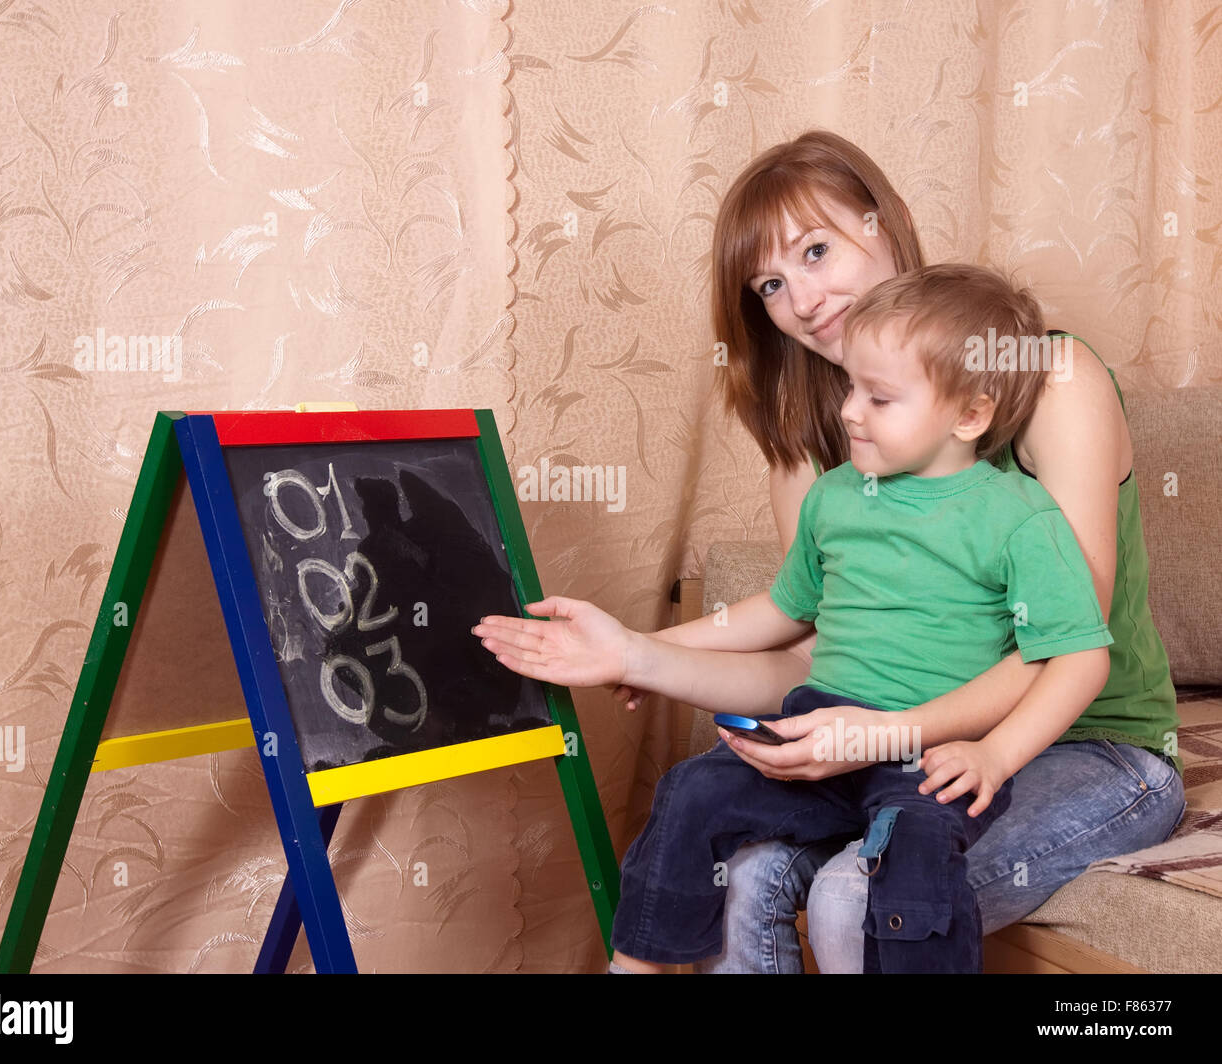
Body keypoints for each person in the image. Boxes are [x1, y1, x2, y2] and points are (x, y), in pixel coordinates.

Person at [623, 130, 1183, 974]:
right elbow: (815, 652)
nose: (802, 300)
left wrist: (876, 734)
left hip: (1085, 739)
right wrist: (642, 654)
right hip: (898, 749)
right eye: (771, 285)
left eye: (817, 252)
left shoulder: (1046, 376)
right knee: (742, 868)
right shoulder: (819, 449)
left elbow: (1061, 650)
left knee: (857, 894)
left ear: (883, 224)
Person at [474, 263, 1114, 972]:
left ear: (970, 414)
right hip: (819, 727)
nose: (848, 413)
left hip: (925, 752)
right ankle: (636, 965)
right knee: (693, 790)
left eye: (880, 397)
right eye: (850, 388)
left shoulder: (1018, 519)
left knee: (914, 857)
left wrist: (995, 754)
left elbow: (1077, 655)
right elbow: (785, 609)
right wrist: (636, 648)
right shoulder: (836, 497)